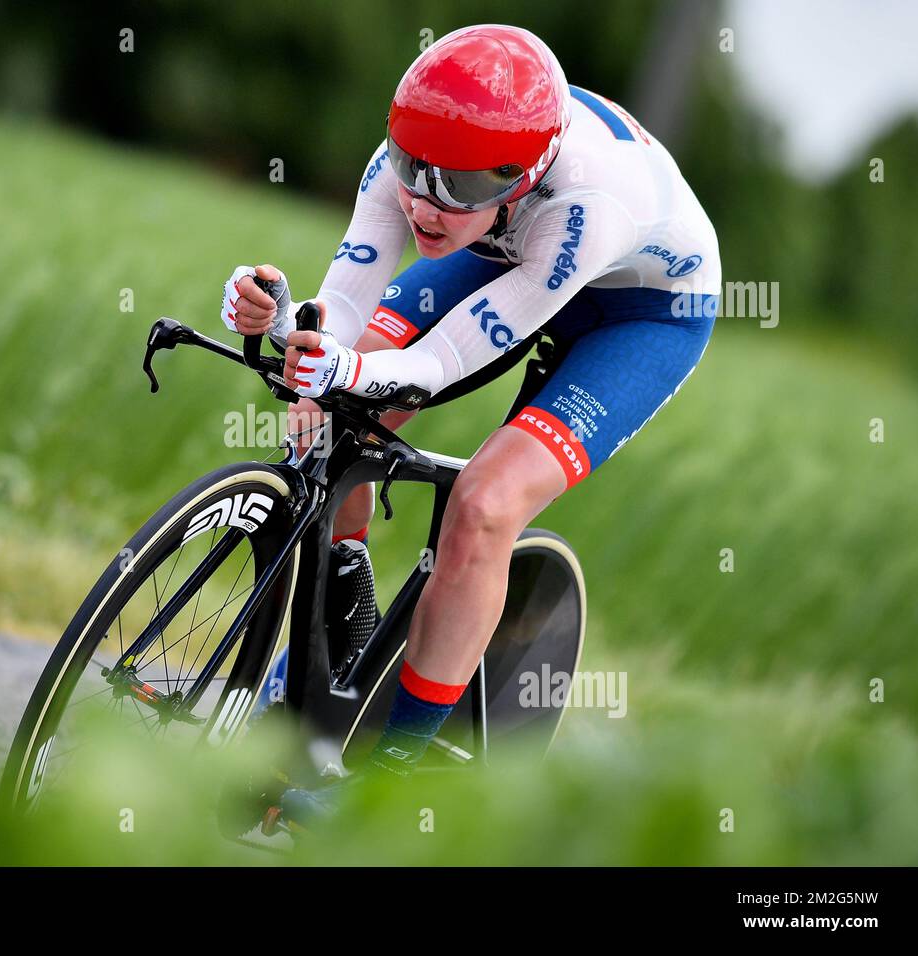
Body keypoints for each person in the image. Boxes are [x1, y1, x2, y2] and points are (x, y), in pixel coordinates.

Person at [220, 24, 720, 825]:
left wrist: (350, 365)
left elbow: (441, 359)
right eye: (413, 170)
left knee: (485, 506)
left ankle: (387, 787)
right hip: (499, 247)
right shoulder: (421, 163)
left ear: (517, 178)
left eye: (454, 184)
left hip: (640, 310)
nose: (422, 200)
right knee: (327, 413)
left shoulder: (588, 206)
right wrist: (287, 320)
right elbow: (345, 309)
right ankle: (343, 625)